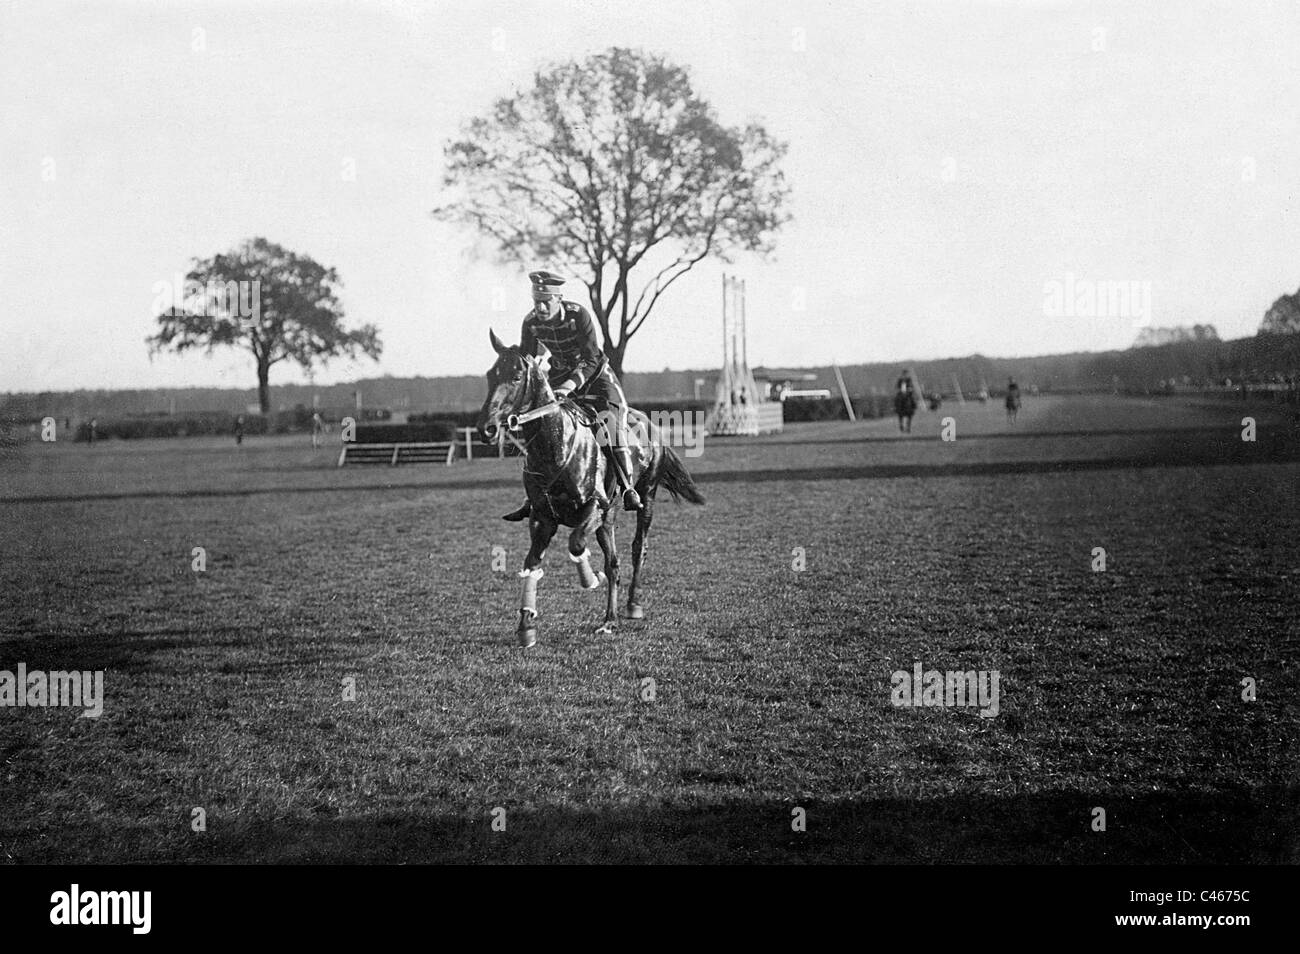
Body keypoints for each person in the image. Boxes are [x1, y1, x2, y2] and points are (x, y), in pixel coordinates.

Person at [502, 270, 642, 520]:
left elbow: (590, 359)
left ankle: (628, 487)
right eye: (537, 302)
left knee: (610, 422)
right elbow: (528, 360)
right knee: (542, 428)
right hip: (557, 376)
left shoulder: (579, 315)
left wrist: (568, 385)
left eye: (546, 302)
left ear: (559, 299)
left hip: (596, 378)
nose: (541, 307)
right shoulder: (530, 323)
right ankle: (532, 497)